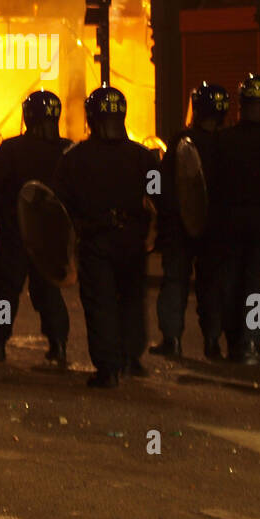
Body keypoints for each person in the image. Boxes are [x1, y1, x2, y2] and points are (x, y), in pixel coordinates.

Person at [53, 86, 158, 388]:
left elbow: (59, 205)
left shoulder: (74, 158)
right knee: (132, 300)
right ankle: (131, 359)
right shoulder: (144, 158)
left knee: (101, 304)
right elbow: (161, 197)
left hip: (96, 241)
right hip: (133, 241)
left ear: (90, 118)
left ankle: (108, 368)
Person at [0, 90, 71, 364]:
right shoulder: (67, 149)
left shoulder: (13, 149)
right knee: (49, 292)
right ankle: (58, 343)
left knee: (5, 293)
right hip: (51, 238)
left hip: (16, 234)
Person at [210, 73, 260, 364]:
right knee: (259, 284)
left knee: (231, 282)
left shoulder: (222, 140)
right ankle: (251, 345)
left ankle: (234, 345)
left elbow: (209, 185)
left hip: (228, 222)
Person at [150, 82, 228, 359]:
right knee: (211, 285)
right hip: (215, 229)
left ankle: (172, 340)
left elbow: (158, 181)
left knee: (175, 282)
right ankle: (212, 342)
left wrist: (162, 210)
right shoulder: (225, 143)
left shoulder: (182, 141)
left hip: (179, 229)